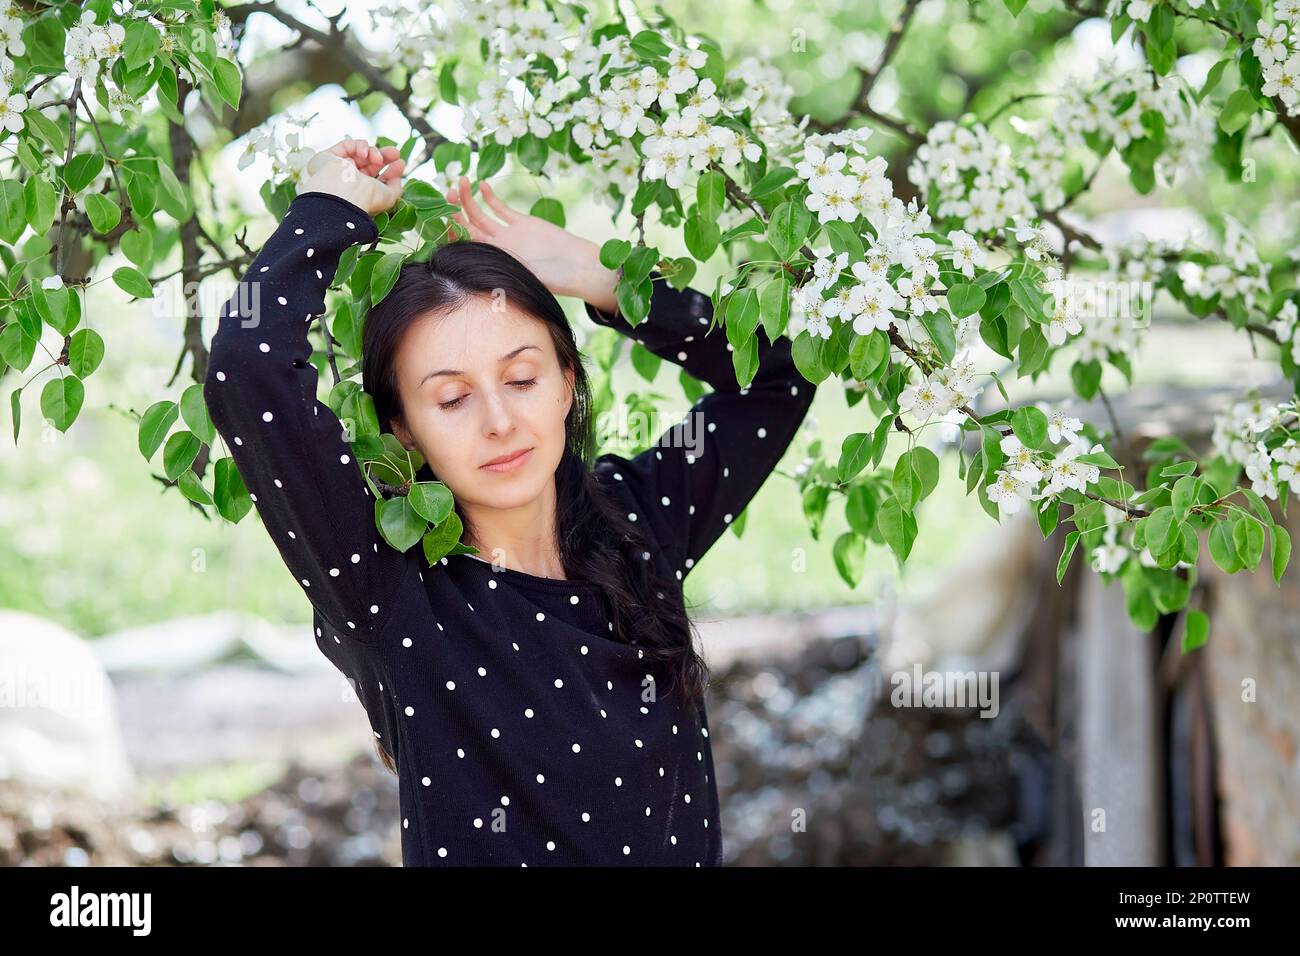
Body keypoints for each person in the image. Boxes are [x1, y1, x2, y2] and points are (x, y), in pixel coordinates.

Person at [203, 136, 817, 865]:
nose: (499, 422)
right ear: (404, 426)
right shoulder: (391, 593)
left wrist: (603, 277)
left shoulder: (635, 527)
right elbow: (247, 363)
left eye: (522, 379)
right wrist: (328, 210)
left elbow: (779, 373)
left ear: (566, 382)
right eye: (453, 398)